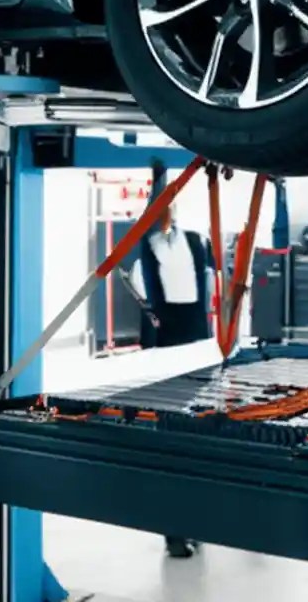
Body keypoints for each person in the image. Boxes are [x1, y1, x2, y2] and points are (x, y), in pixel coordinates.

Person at [128, 159, 217, 559]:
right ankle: (174, 531)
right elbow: (135, 270)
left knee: (199, 436)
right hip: (165, 342)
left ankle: (196, 523)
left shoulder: (198, 241)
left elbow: (213, 285)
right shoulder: (144, 245)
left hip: (197, 340)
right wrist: (158, 176)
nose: (167, 213)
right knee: (168, 439)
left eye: (170, 205)